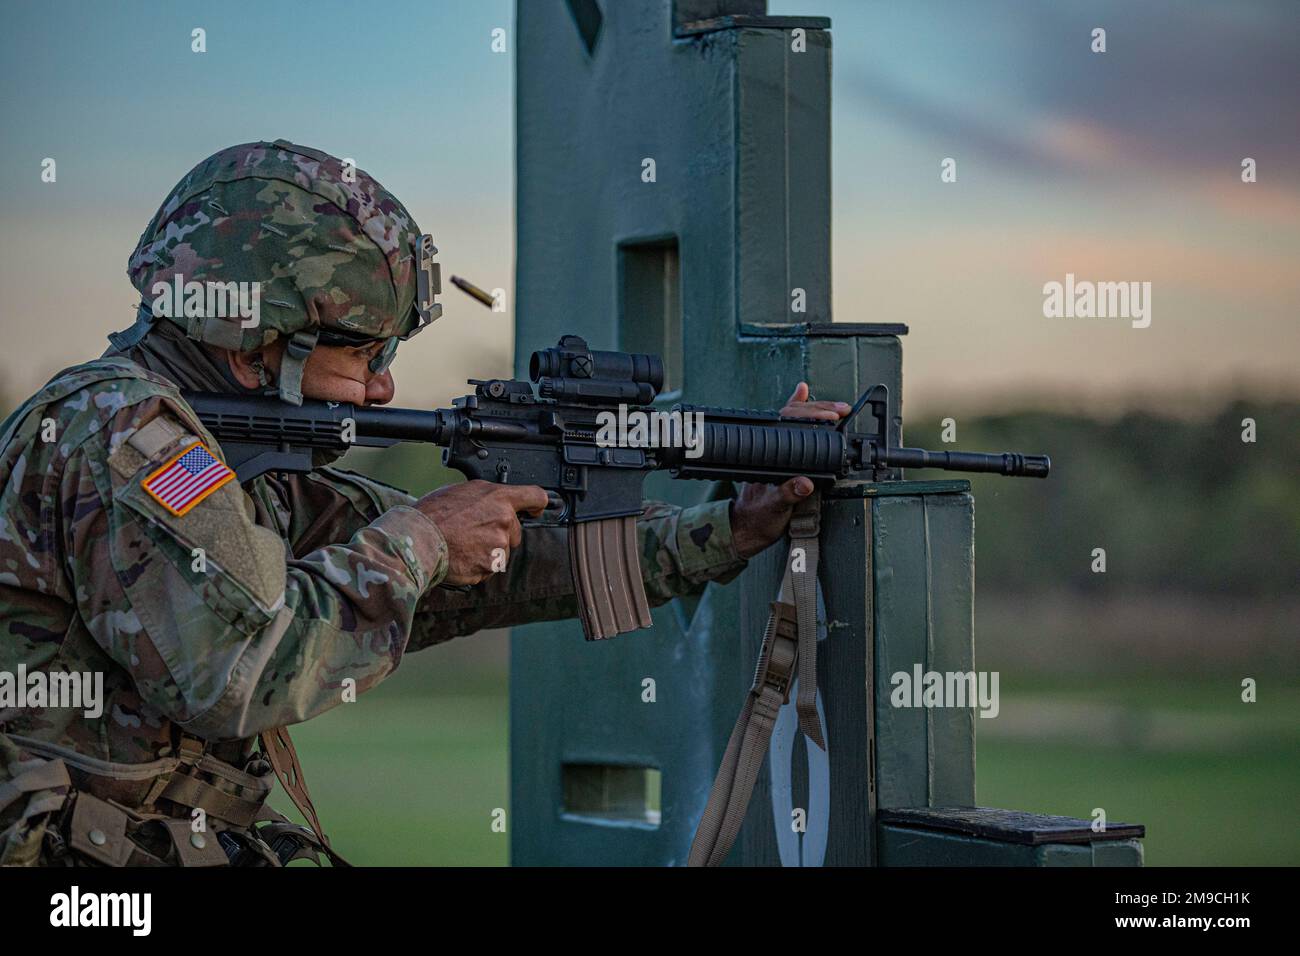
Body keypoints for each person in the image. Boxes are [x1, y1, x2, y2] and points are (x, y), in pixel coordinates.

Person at [0, 140, 849, 866]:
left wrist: (728, 527)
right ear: (263, 336)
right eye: (366, 351)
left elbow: (462, 572)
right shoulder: (123, 436)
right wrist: (421, 539)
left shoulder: (226, 456)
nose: (382, 384)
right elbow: (240, 668)